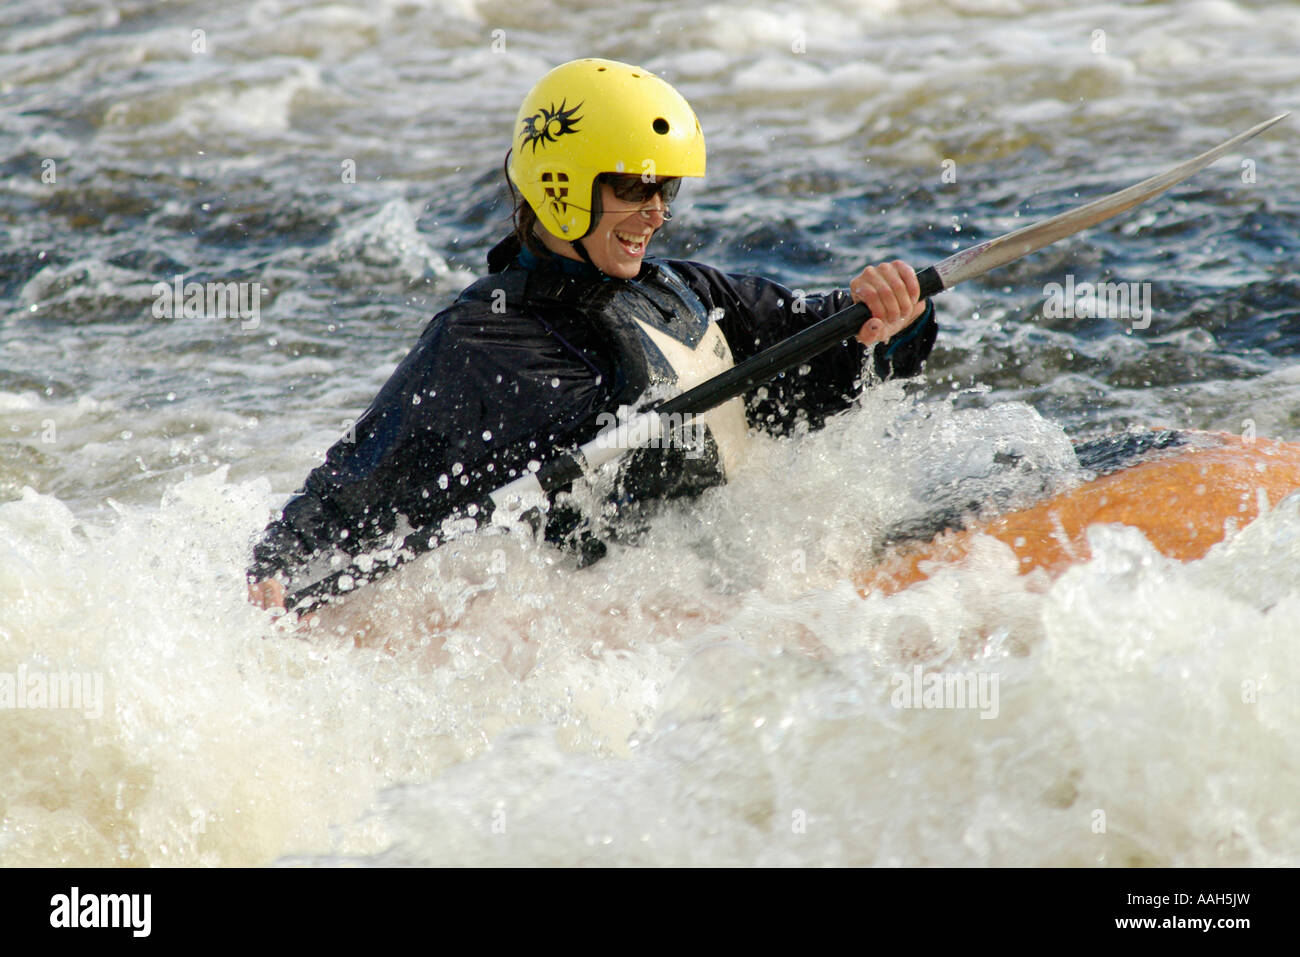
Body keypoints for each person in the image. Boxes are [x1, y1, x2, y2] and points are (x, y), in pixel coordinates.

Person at [247, 57, 937, 613]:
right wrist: (277, 567)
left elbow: (835, 354)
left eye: (667, 188)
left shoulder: (690, 291)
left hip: (747, 577)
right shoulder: (479, 343)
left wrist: (895, 316)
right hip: (616, 619)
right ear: (564, 184)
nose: (659, 212)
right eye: (639, 187)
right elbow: (355, 481)